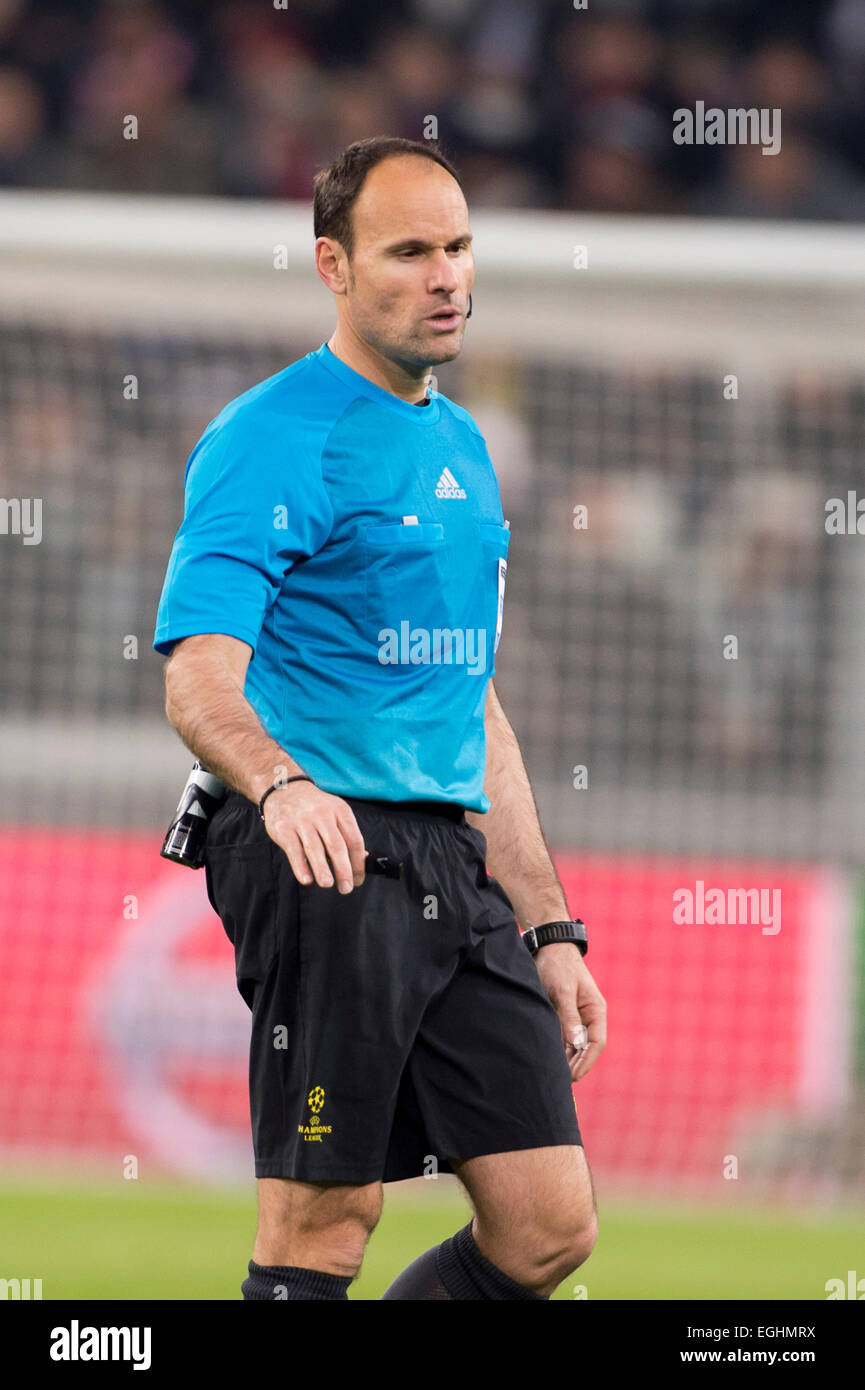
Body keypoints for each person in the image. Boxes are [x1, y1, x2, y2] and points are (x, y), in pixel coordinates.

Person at [153, 135, 606, 1300]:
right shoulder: (270, 434)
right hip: (325, 850)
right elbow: (199, 675)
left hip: (454, 863)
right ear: (333, 268)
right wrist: (284, 784)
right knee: (324, 1218)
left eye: (457, 247)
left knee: (546, 1226)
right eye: (409, 251)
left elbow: (476, 705)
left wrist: (548, 927)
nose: (445, 274)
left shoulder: (463, 444)